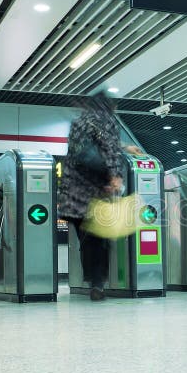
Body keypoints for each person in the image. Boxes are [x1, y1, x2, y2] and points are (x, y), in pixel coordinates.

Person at [58, 93, 140, 301]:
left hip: (71, 196)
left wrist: (124, 147)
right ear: (110, 106)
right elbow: (108, 150)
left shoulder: (80, 122)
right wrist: (115, 177)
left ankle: (91, 280)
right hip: (93, 193)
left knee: (86, 241)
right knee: (101, 239)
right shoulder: (107, 120)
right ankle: (97, 284)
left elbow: (90, 145)